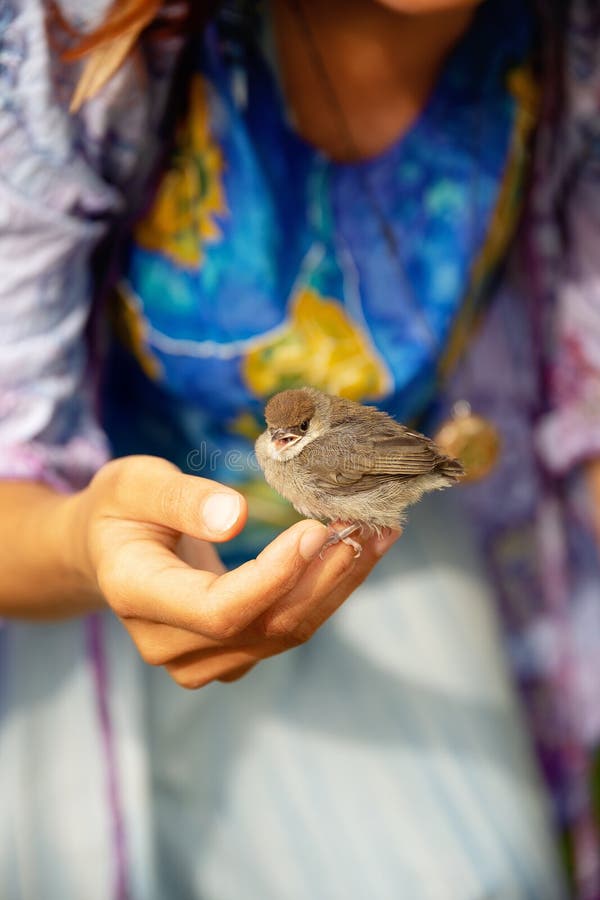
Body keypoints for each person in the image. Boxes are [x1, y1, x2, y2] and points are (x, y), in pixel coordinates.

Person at [0, 0, 597, 896]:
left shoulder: (570, 49)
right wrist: (89, 541)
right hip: (85, 571)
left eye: (293, 436)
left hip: (381, 562)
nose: (282, 445)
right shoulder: (82, 39)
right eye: (279, 439)